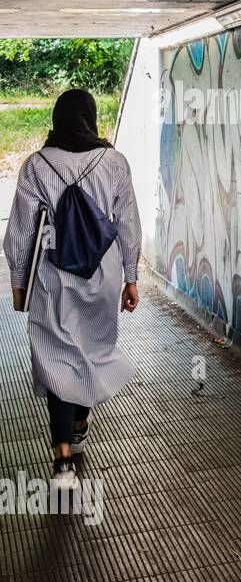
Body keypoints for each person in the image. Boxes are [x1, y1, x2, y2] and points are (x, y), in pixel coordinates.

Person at [3, 89, 141, 490]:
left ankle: (63, 455)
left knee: (57, 354)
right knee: (91, 349)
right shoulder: (114, 162)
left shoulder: (36, 164)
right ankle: (79, 423)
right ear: (92, 118)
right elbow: (128, 223)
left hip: (53, 275)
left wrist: (17, 283)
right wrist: (131, 276)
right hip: (103, 274)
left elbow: (20, 231)